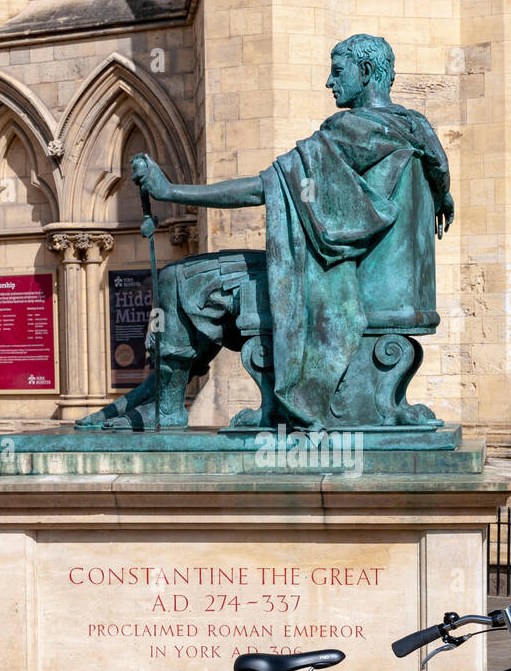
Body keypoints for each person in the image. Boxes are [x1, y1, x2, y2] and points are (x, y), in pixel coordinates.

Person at [79, 34, 453, 430]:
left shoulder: (353, 132)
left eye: (337, 71)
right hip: (357, 275)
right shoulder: (415, 129)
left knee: (178, 278)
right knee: (200, 280)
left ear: (365, 72)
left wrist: (171, 191)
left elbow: (263, 187)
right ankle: (152, 397)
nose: (330, 82)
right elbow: (439, 178)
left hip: (335, 281)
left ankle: (165, 408)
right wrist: (444, 198)